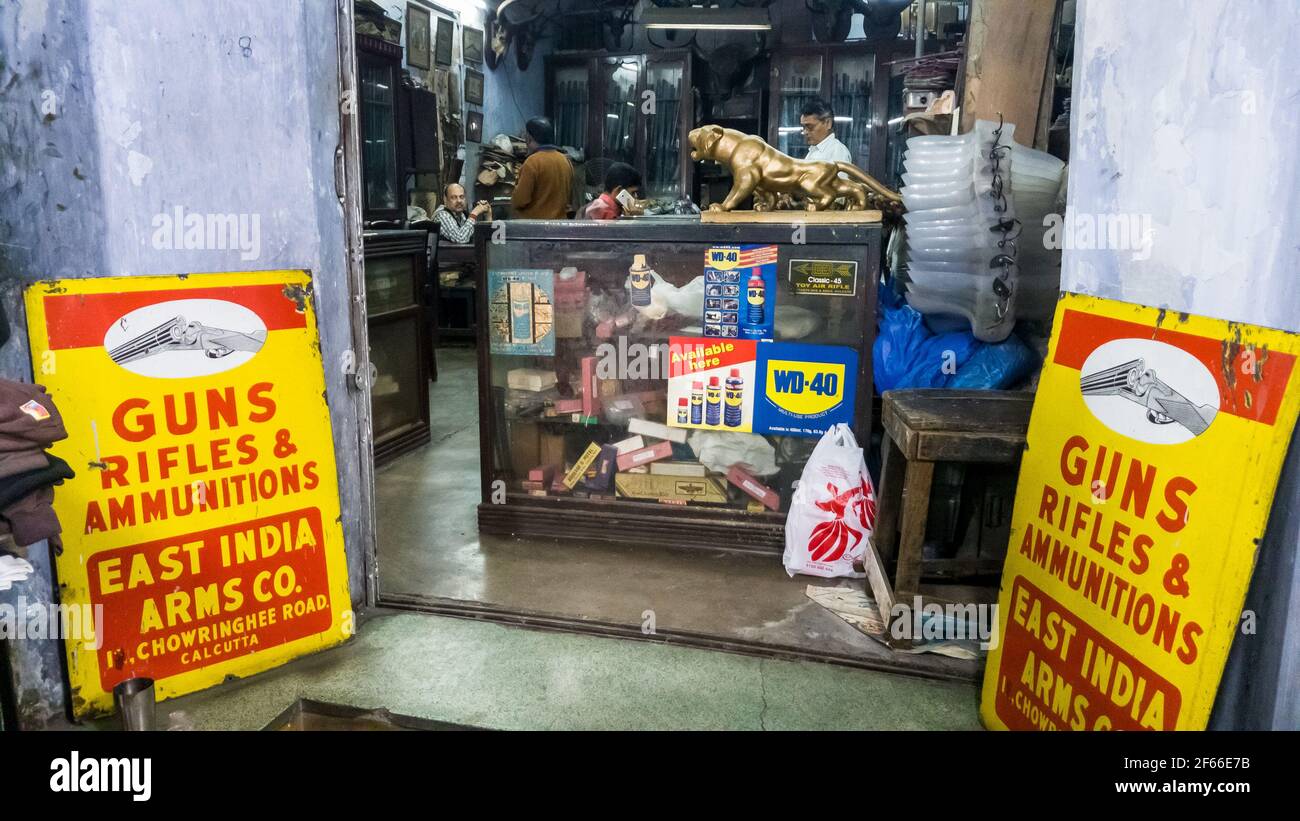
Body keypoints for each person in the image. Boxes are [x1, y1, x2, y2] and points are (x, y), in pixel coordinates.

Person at [511, 117, 574, 219]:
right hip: (560, 226)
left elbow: (520, 200)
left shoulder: (532, 162)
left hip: (536, 227)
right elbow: (569, 198)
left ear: (529, 138)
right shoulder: (565, 161)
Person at [800, 99, 854, 166]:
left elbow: (840, 176)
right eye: (803, 127)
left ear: (828, 123)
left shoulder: (837, 151)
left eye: (810, 127)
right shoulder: (813, 150)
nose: (805, 132)